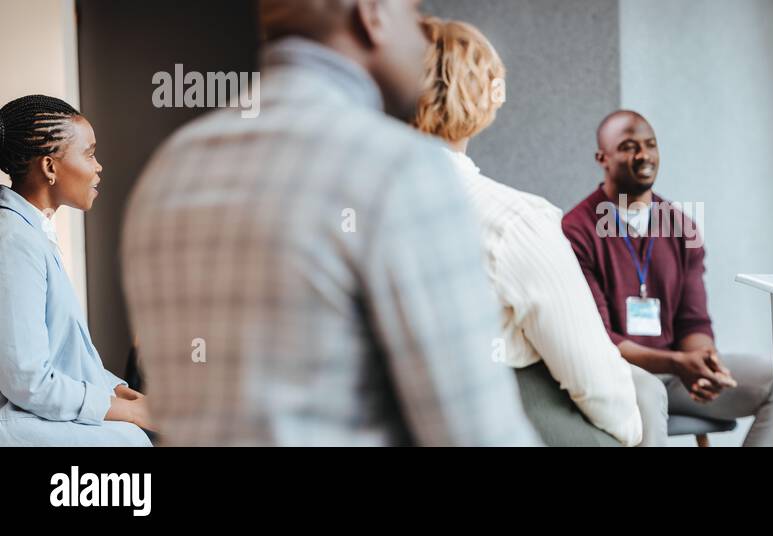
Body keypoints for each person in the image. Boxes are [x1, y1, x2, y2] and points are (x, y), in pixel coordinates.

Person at [121, 0, 539, 446]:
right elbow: (477, 434)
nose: (422, 38)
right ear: (372, 13)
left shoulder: (168, 171)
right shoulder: (399, 170)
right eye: (413, 14)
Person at [413, 18, 644, 446]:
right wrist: (628, 435)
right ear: (485, 101)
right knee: (640, 404)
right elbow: (595, 380)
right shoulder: (515, 223)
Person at [562, 110, 773, 447]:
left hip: (676, 375)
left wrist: (704, 364)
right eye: (629, 146)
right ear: (602, 158)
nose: (643, 155)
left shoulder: (680, 225)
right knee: (648, 394)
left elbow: (693, 321)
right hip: (618, 376)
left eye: (650, 145)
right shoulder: (577, 230)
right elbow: (600, 340)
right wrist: (679, 364)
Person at [0, 95, 151, 446]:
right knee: (130, 441)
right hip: (16, 424)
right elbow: (26, 379)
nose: (98, 166)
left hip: (31, 412)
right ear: (50, 167)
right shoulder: (13, 240)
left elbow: (62, 355)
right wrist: (122, 411)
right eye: (89, 153)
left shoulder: (31, 232)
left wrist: (115, 390)